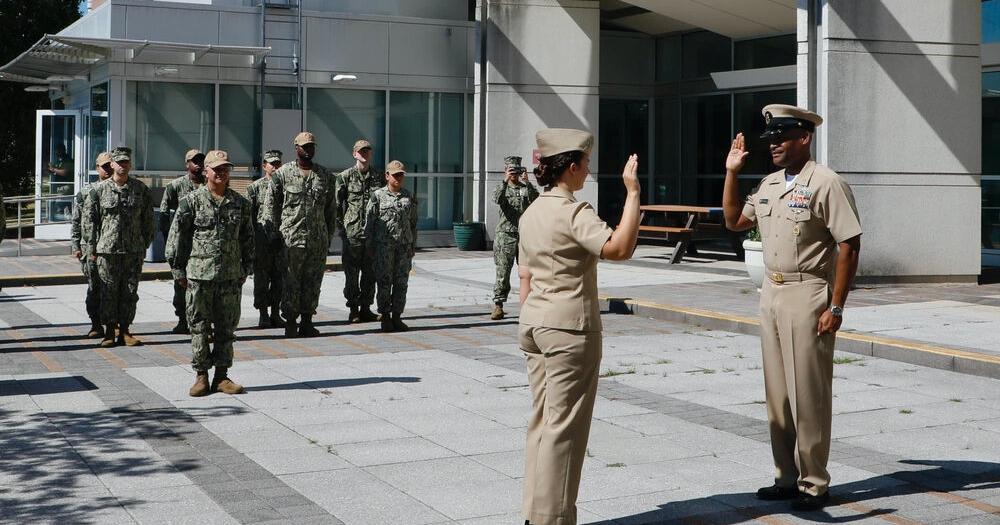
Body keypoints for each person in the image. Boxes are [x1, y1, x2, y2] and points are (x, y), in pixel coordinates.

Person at [722, 104, 862, 511]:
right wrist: (731, 172)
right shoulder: (768, 183)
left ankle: (814, 482)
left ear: (805, 137)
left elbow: (850, 245)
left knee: (808, 393)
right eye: (771, 139)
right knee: (778, 393)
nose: (774, 145)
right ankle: (785, 477)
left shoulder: (826, 183)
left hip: (808, 292)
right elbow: (734, 221)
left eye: (782, 138)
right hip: (772, 291)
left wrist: (836, 307)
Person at [517, 129, 640, 525]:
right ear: (570, 167)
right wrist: (633, 193)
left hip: (535, 322)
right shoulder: (573, 211)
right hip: (568, 329)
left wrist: (531, 319)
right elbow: (619, 248)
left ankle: (534, 514)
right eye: (585, 163)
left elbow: (524, 277)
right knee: (565, 430)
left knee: (542, 423)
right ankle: (552, 519)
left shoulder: (532, 212)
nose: (588, 170)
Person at [167, 150, 253, 397]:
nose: (221, 173)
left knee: (227, 328)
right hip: (199, 276)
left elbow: (248, 238)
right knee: (199, 327)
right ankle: (201, 376)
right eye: (216, 169)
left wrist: (246, 268)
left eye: (225, 168)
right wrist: (178, 270)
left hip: (230, 276)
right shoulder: (191, 202)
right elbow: (177, 238)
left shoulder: (241, 204)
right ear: (206, 172)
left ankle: (222, 377)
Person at [82, 146, 155, 348]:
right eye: (119, 162)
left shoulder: (140, 189)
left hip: (133, 251)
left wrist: (143, 244)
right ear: (112, 164)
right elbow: (89, 221)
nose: (122, 166)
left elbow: (149, 220)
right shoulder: (98, 190)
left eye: (126, 162)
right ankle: (109, 331)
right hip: (107, 251)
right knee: (108, 292)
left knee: (130, 292)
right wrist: (91, 249)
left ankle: (125, 331)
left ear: (130, 165)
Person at [271, 132, 338, 338]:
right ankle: (291, 322)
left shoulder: (325, 176)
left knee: (313, 281)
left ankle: (307, 321)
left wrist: (328, 236)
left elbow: (331, 210)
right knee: (291, 281)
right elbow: (272, 206)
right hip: (291, 240)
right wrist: (275, 235)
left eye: (311, 146)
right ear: (296, 148)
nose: (308, 150)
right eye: (304, 146)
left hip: (317, 240)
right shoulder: (282, 174)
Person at [364, 160, 417, 333]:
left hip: (403, 247)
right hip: (384, 248)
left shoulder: (408, 196)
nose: (398, 178)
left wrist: (413, 245)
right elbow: (369, 222)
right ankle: (385, 317)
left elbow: (413, 222)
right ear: (387, 176)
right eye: (395, 175)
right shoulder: (377, 196)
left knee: (401, 283)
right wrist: (370, 245)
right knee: (384, 282)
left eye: (401, 175)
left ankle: (397, 316)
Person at [161, 149, 206, 335]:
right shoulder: (175, 186)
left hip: (203, 244)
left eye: (201, 161)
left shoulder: (209, 184)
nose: (198, 164)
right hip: (182, 244)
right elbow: (164, 214)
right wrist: (170, 242)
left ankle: (201, 320)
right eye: (194, 161)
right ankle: (182, 319)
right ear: (187, 164)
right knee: (181, 283)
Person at [336, 139, 381, 323]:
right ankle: (354, 309)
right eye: (361, 151)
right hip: (352, 234)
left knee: (370, 273)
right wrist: (342, 227)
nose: (364, 154)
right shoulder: (345, 177)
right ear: (354, 154)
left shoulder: (378, 176)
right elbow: (337, 205)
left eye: (367, 151)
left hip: (372, 235)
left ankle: (366, 308)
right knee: (352, 274)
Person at [490, 155, 538, 320]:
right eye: (511, 170)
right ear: (506, 170)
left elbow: (536, 200)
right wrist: (505, 181)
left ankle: (530, 304)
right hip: (505, 236)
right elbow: (496, 198)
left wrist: (528, 182)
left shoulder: (525, 188)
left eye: (517, 170)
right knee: (503, 271)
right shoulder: (502, 188)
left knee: (528, 271)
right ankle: (498, 305)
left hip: (524, 235)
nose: (514, 174)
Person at [71, 151, 113, 337]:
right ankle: (96, 324)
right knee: (94, 286)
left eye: (110, 166)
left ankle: (113, 323)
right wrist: (76, 245)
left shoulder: (121, 189)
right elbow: (77, 220)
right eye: (104, 167)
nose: (108, 170)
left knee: (114, 288)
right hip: (90, 249)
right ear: (97, 168)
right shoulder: (86, 192)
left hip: (112, 248)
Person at [247, 149, 286, 328]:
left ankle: (276, 313)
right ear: (264, 166)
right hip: (262, 242)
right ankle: (263, 314)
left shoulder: (286, 186)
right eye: (272, 164)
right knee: (262, 280)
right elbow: (249, 217)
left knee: (280, 279)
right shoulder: (254, 188)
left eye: (278, 163)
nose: (275, 167)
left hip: (281, 240)